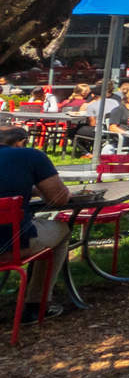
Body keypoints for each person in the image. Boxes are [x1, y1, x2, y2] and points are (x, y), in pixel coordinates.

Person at [0, 124, 71, 318]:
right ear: (21, 142)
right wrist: (36, 187)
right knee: (62, 230)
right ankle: (36, 304)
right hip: (11, 247)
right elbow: (59, 199)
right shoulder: (30, 156)